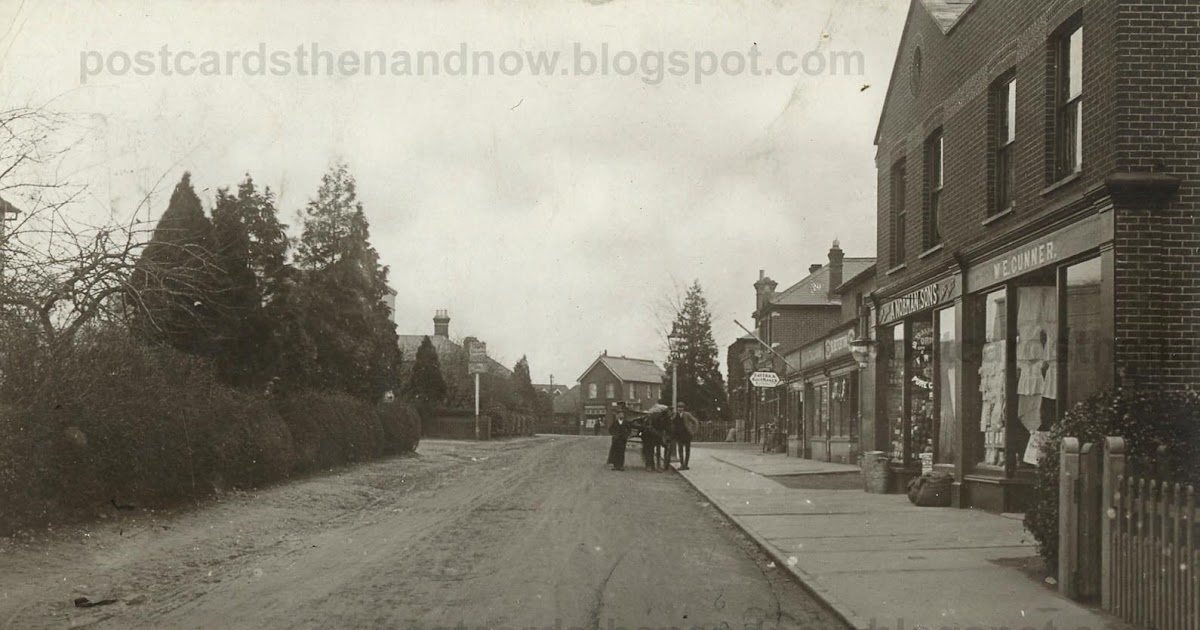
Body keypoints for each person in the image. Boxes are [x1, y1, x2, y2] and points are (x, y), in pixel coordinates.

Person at [672, 401, 700, 470]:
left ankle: (686, 465)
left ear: (683, 408)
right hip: (679, 435)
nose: (680, 409)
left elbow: (695, 421)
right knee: (680, 450)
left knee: (687, 450)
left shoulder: (687, 414)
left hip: (687, 434)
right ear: (677, 408)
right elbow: (672, 423)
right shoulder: (675, 415)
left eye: (681, 407)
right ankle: (682, 464)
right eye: (679, 407)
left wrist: (693, 431)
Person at [606, 404, 630, 471]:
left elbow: (629, 430)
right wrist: (614, 435)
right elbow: (610, 429)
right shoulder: (615, 423)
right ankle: (616, 466)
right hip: (616, 440)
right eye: (620, 414)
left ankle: (621, 466)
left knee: (622, 453)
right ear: (618, 415)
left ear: (624, 415)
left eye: (622, 414)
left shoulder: (626, 423)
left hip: (623, 440)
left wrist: (626, 435)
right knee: (615, 452)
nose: (621, 415)